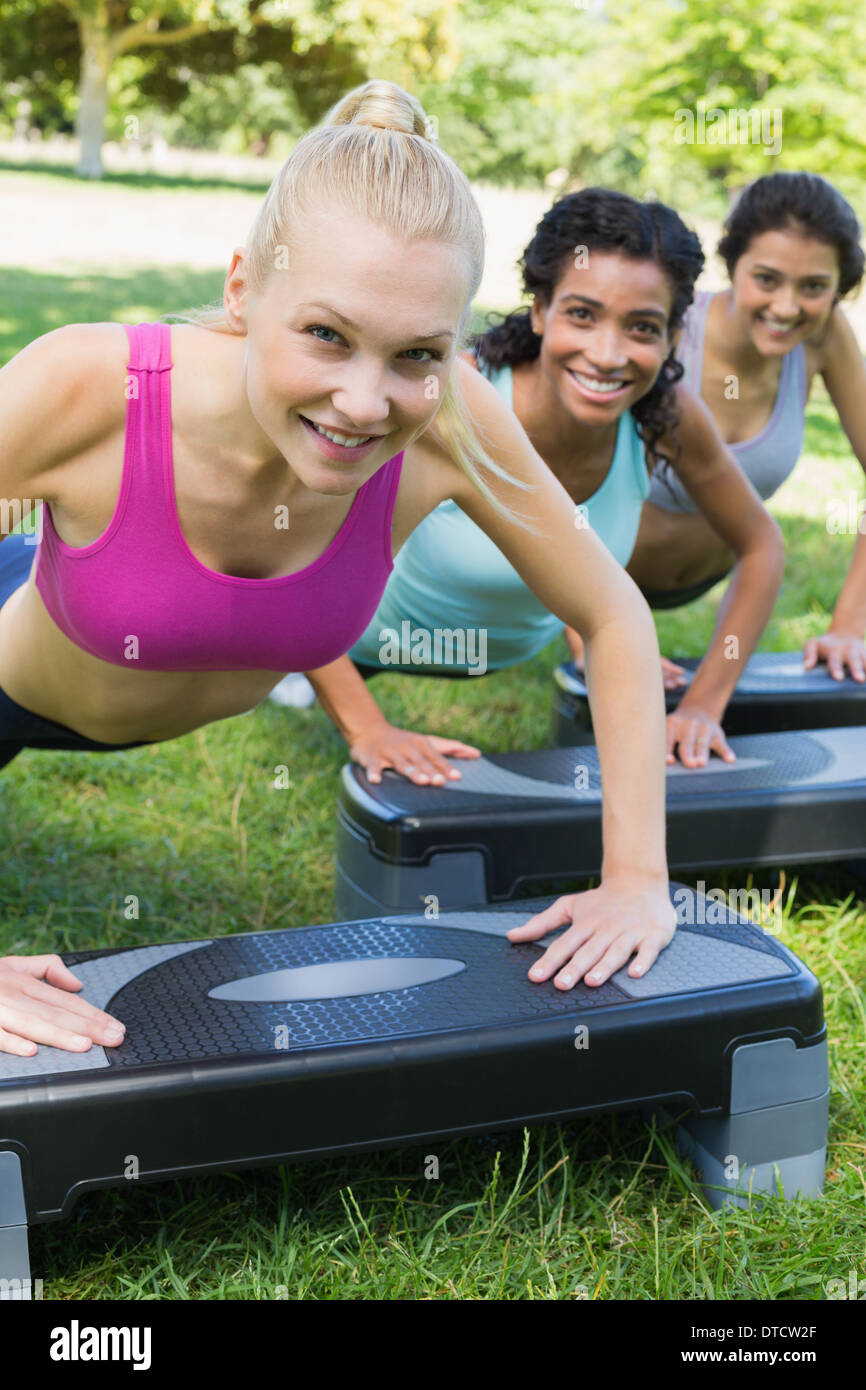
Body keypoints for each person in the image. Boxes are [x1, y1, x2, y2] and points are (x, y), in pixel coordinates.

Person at [0, 81, 676, 1058]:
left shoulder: (452, 419)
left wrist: (633, 880)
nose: (365, 402)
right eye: (325, 334)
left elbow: (611, 616)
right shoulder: (91, 384)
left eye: (415, 353)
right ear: (242, 288)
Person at [299, 189, 783, 780]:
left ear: (673, 335)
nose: (607, 355)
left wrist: (701, 705)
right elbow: (294, 561)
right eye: (582, 314)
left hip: (507, 649)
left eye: (642, 327)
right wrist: (368, 729)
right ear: (539, 311)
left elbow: (762, 546)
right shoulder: (454, 397)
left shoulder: (666, 411)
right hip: (364, 641)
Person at [629, 171, 866, 683]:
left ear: (839, 289)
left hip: (712, 575)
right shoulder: (671, 325)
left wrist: (849, 624)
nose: (786, 307)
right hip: (607, 575)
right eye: (766, 279)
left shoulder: (825, 337)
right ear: (733, 265)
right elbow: (562, 473)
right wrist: (590, 631)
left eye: (814, 287)